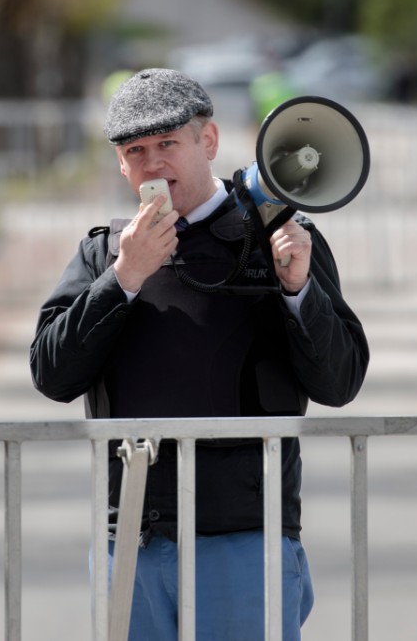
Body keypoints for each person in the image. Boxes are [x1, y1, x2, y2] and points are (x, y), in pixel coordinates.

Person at [29, 68, 369, 640]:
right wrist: (125, 276)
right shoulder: (103, 253)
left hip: (246, 537)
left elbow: (339, 383)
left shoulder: (284, 238)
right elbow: (52, 373)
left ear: (207, 143)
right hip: (131, 538)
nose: (153, 163)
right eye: (136, 150)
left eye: (168, 144)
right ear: (120, 164)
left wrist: (298, 291)